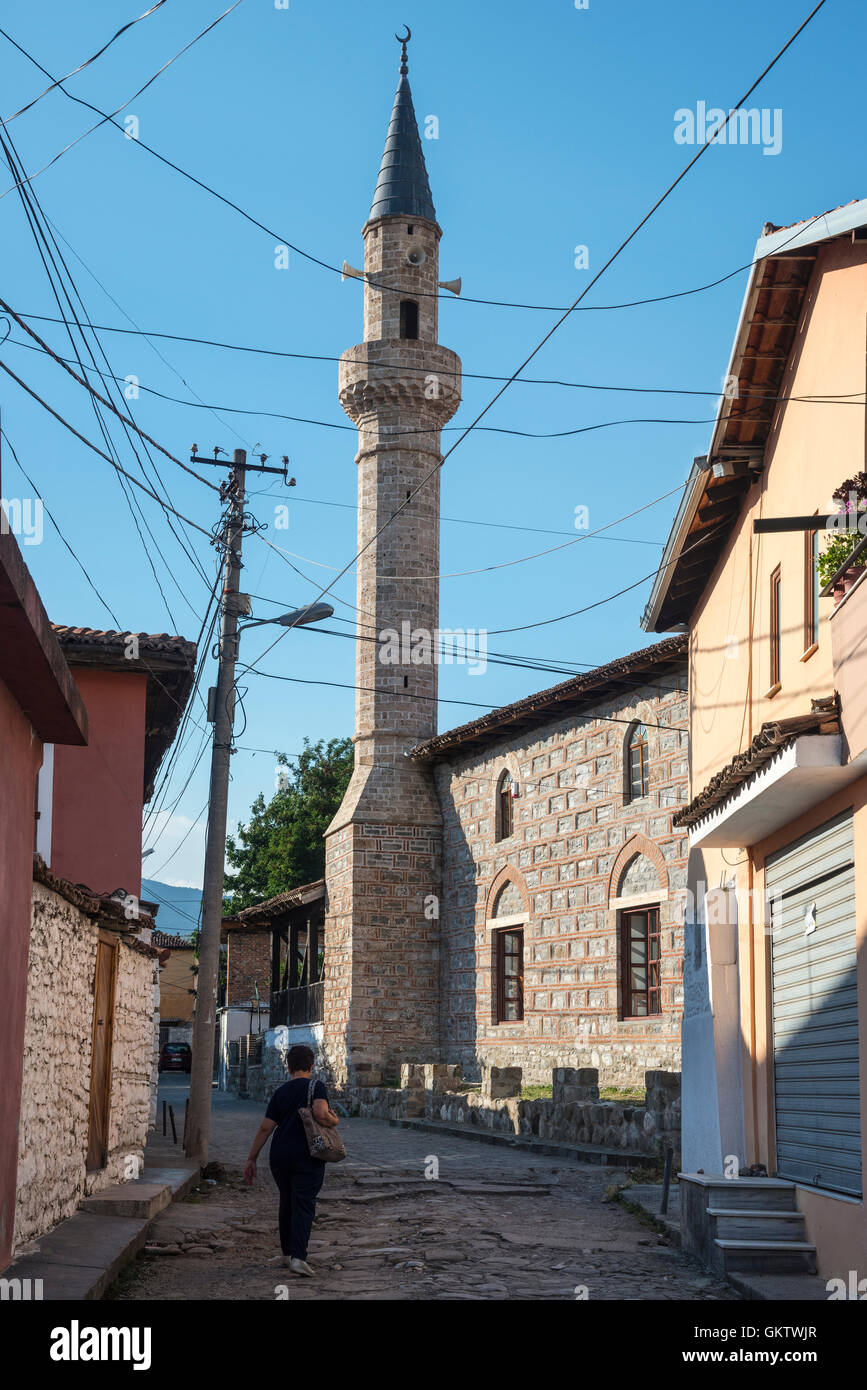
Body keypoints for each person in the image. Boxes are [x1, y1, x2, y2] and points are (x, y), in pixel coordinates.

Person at [244, 1043, 340, 1276]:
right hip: (308, 1154)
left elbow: (266, 1128)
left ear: (289, 1067)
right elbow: (320, 1113)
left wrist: (251, 1159)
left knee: (287, 1202)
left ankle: (287, 1254)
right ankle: (299, 1256)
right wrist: (334, 1121)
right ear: (311, 1065)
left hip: (280, 1155)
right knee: (304, 1204)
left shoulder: (280, 1092)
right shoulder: (316, 1086)